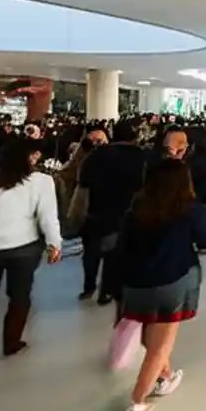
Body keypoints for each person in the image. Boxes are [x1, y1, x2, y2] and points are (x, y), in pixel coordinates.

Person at [109, 159, 206, 411]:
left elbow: (121, 248)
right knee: (160, 346)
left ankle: (165, 377)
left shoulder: (136, 209)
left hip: (136, 284)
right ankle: (137, 403)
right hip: (175, 281)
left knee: (149, 336)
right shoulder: (192, 210)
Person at [0, 139, 62, 360]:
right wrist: (55, 243)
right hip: (24, 247)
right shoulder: (42, 182)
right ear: (27, 158)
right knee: (19, 296)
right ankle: (11, 342)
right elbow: (48, 217)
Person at [76, 121, 148, 305]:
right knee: (114, 254)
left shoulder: (97, 154)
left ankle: (88, 286)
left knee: (91, 252)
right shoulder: (140, 156)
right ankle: (106, 291)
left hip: (96, 209)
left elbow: (83, 181)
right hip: (124, 211)